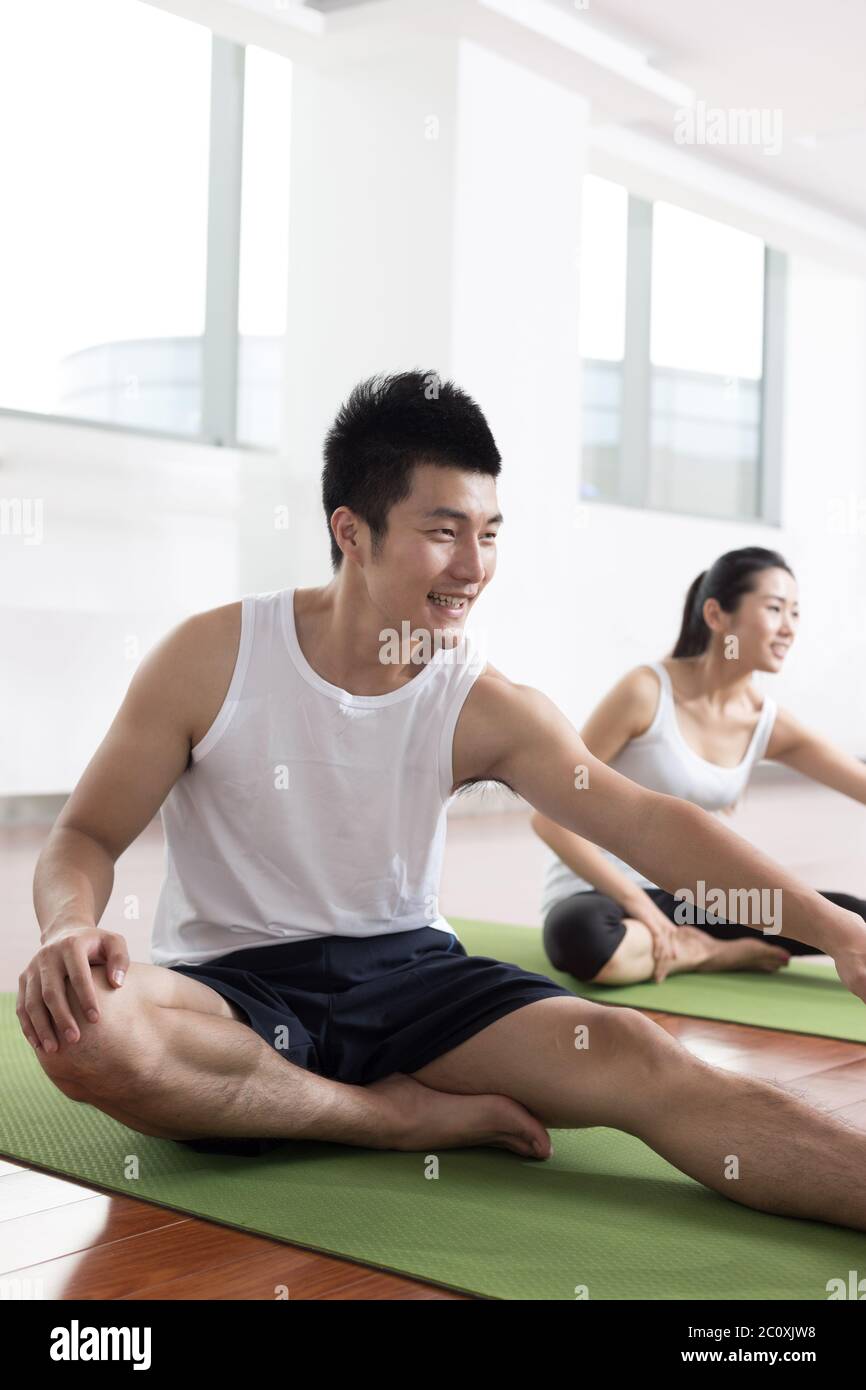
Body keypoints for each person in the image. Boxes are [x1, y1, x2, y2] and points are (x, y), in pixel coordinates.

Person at [20, 371, 866, 1232]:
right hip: (232, 991)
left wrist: (836, 931)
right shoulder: (209, 658)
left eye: (489, 534)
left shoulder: (482, 703)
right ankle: (388, 1119)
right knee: (84, 1027)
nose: (473, 567)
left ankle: (299, 1102)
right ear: (352, 531)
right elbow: (85, 832)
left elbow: (650, 826)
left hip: (415, 984)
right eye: (443, 532)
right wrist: (65, 928)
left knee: (638, 1053)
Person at [533, 547, 866, 987]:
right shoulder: (646, 693)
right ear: (717, 615)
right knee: (585, 940)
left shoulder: (766, 722)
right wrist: (643, 908)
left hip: (696, 898)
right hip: (602, 895)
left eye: (796, 613)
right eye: (774, 609)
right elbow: (549, 818)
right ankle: (706, 953)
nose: (789, 628)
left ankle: (685, 944)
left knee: (853, 917)